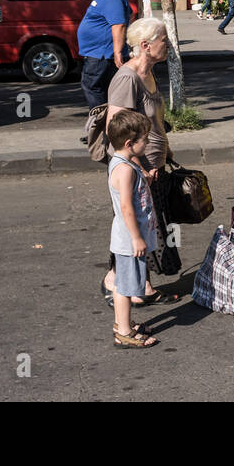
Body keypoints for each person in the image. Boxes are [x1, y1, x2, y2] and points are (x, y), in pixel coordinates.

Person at [100, 16, 182, 309]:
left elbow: (153, 120)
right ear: (146, 46)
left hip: (153, 166)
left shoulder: (148, 73)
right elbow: (117, 130)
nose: (168, 44)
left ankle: (142, 286)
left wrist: (165, 150)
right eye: (163, 39)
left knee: (150, 225)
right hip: (138, 172)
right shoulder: (127, 77)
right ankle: (115, 280)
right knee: (135, 226)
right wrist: (141, 168)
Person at [107, 108, 160, 348]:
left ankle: (122, 323)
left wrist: (145, 177)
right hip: (130, 239)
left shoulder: (122, 163)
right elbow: (127, 207)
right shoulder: (125, 169)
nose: (147, 143)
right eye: (145, 140)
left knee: (124, 284)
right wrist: (137, 239)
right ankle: (124, 332)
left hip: (126, 237)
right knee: (127, 287)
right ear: (130, 143)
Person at [77, 0, 131, 109]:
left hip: (101, 55)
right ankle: (108, 125)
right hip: (99, 53)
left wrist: (117, 52)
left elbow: (118, 24)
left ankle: (101, 123)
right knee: (103, 89)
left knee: (93, 87)